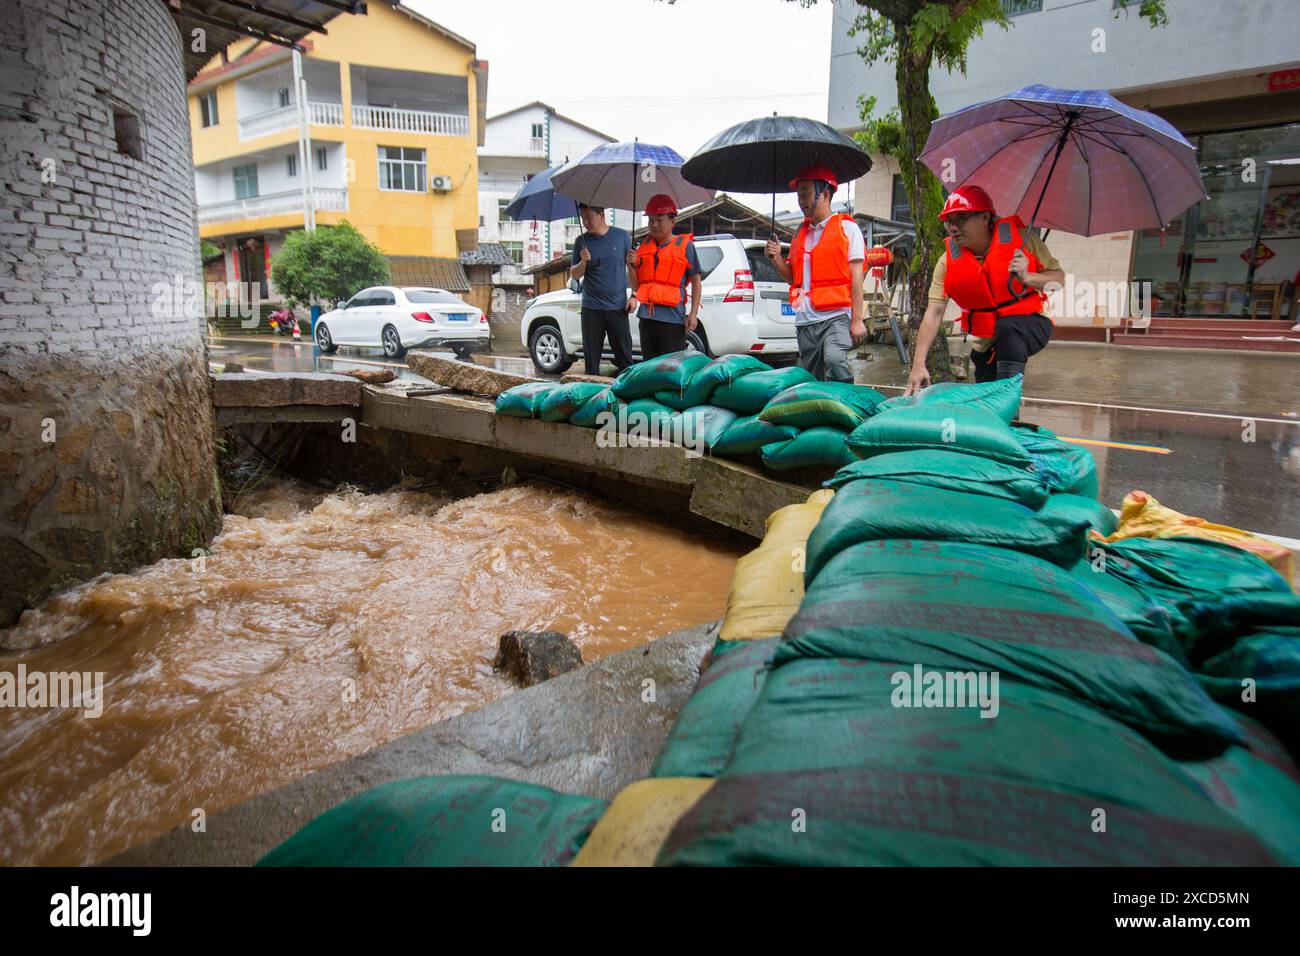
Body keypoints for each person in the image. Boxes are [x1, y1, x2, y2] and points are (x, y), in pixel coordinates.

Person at [906, 184, 1065, 395]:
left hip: (1031, 324)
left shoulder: (1022, 241)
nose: (953, 227)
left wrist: (1028, 277)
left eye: (961, 219)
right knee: (984, 396)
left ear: (985, 218)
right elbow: (934, 313)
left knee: (1008, 328)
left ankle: (1008, 401)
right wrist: (918, 364)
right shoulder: (947, 262)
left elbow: (1058, 280)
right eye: (949, 222)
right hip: (987, 342)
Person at [765, 165, 866, 382]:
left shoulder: (847, 229)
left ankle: (847, 405)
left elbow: (857, 277)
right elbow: (793, 277)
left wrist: (857, 319)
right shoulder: (799, 235)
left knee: (835, 360)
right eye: (799, 196)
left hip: (836, 316)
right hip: (805, 320)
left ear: (825, 195)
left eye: (806, 194)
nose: (801, 201)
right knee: (810, 379)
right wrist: (776, 259)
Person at [624, 194, 702, 360]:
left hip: (672, 320)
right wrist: (631, 267)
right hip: (646, 318)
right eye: (651, 220)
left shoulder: (685, 246)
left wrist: (693, 313)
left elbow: (696, 281)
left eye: (659, 219)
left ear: (672, 221)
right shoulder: (642, 248)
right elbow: (637, 287)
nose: (654, 224)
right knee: (649, 368)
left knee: (672, 368)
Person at [569, 202, 634, 375]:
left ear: (602, 215)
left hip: (617, 307)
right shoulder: (581, 242)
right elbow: (574, 275)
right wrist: (583, 261)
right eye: (583, 219)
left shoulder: (622, 237)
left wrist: (635, 295)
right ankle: (592, 397)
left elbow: (633, 268)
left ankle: (626, 398)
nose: (586, 223)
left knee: (625, 360)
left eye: (589, 218)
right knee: (591, 361)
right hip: (592, 309)